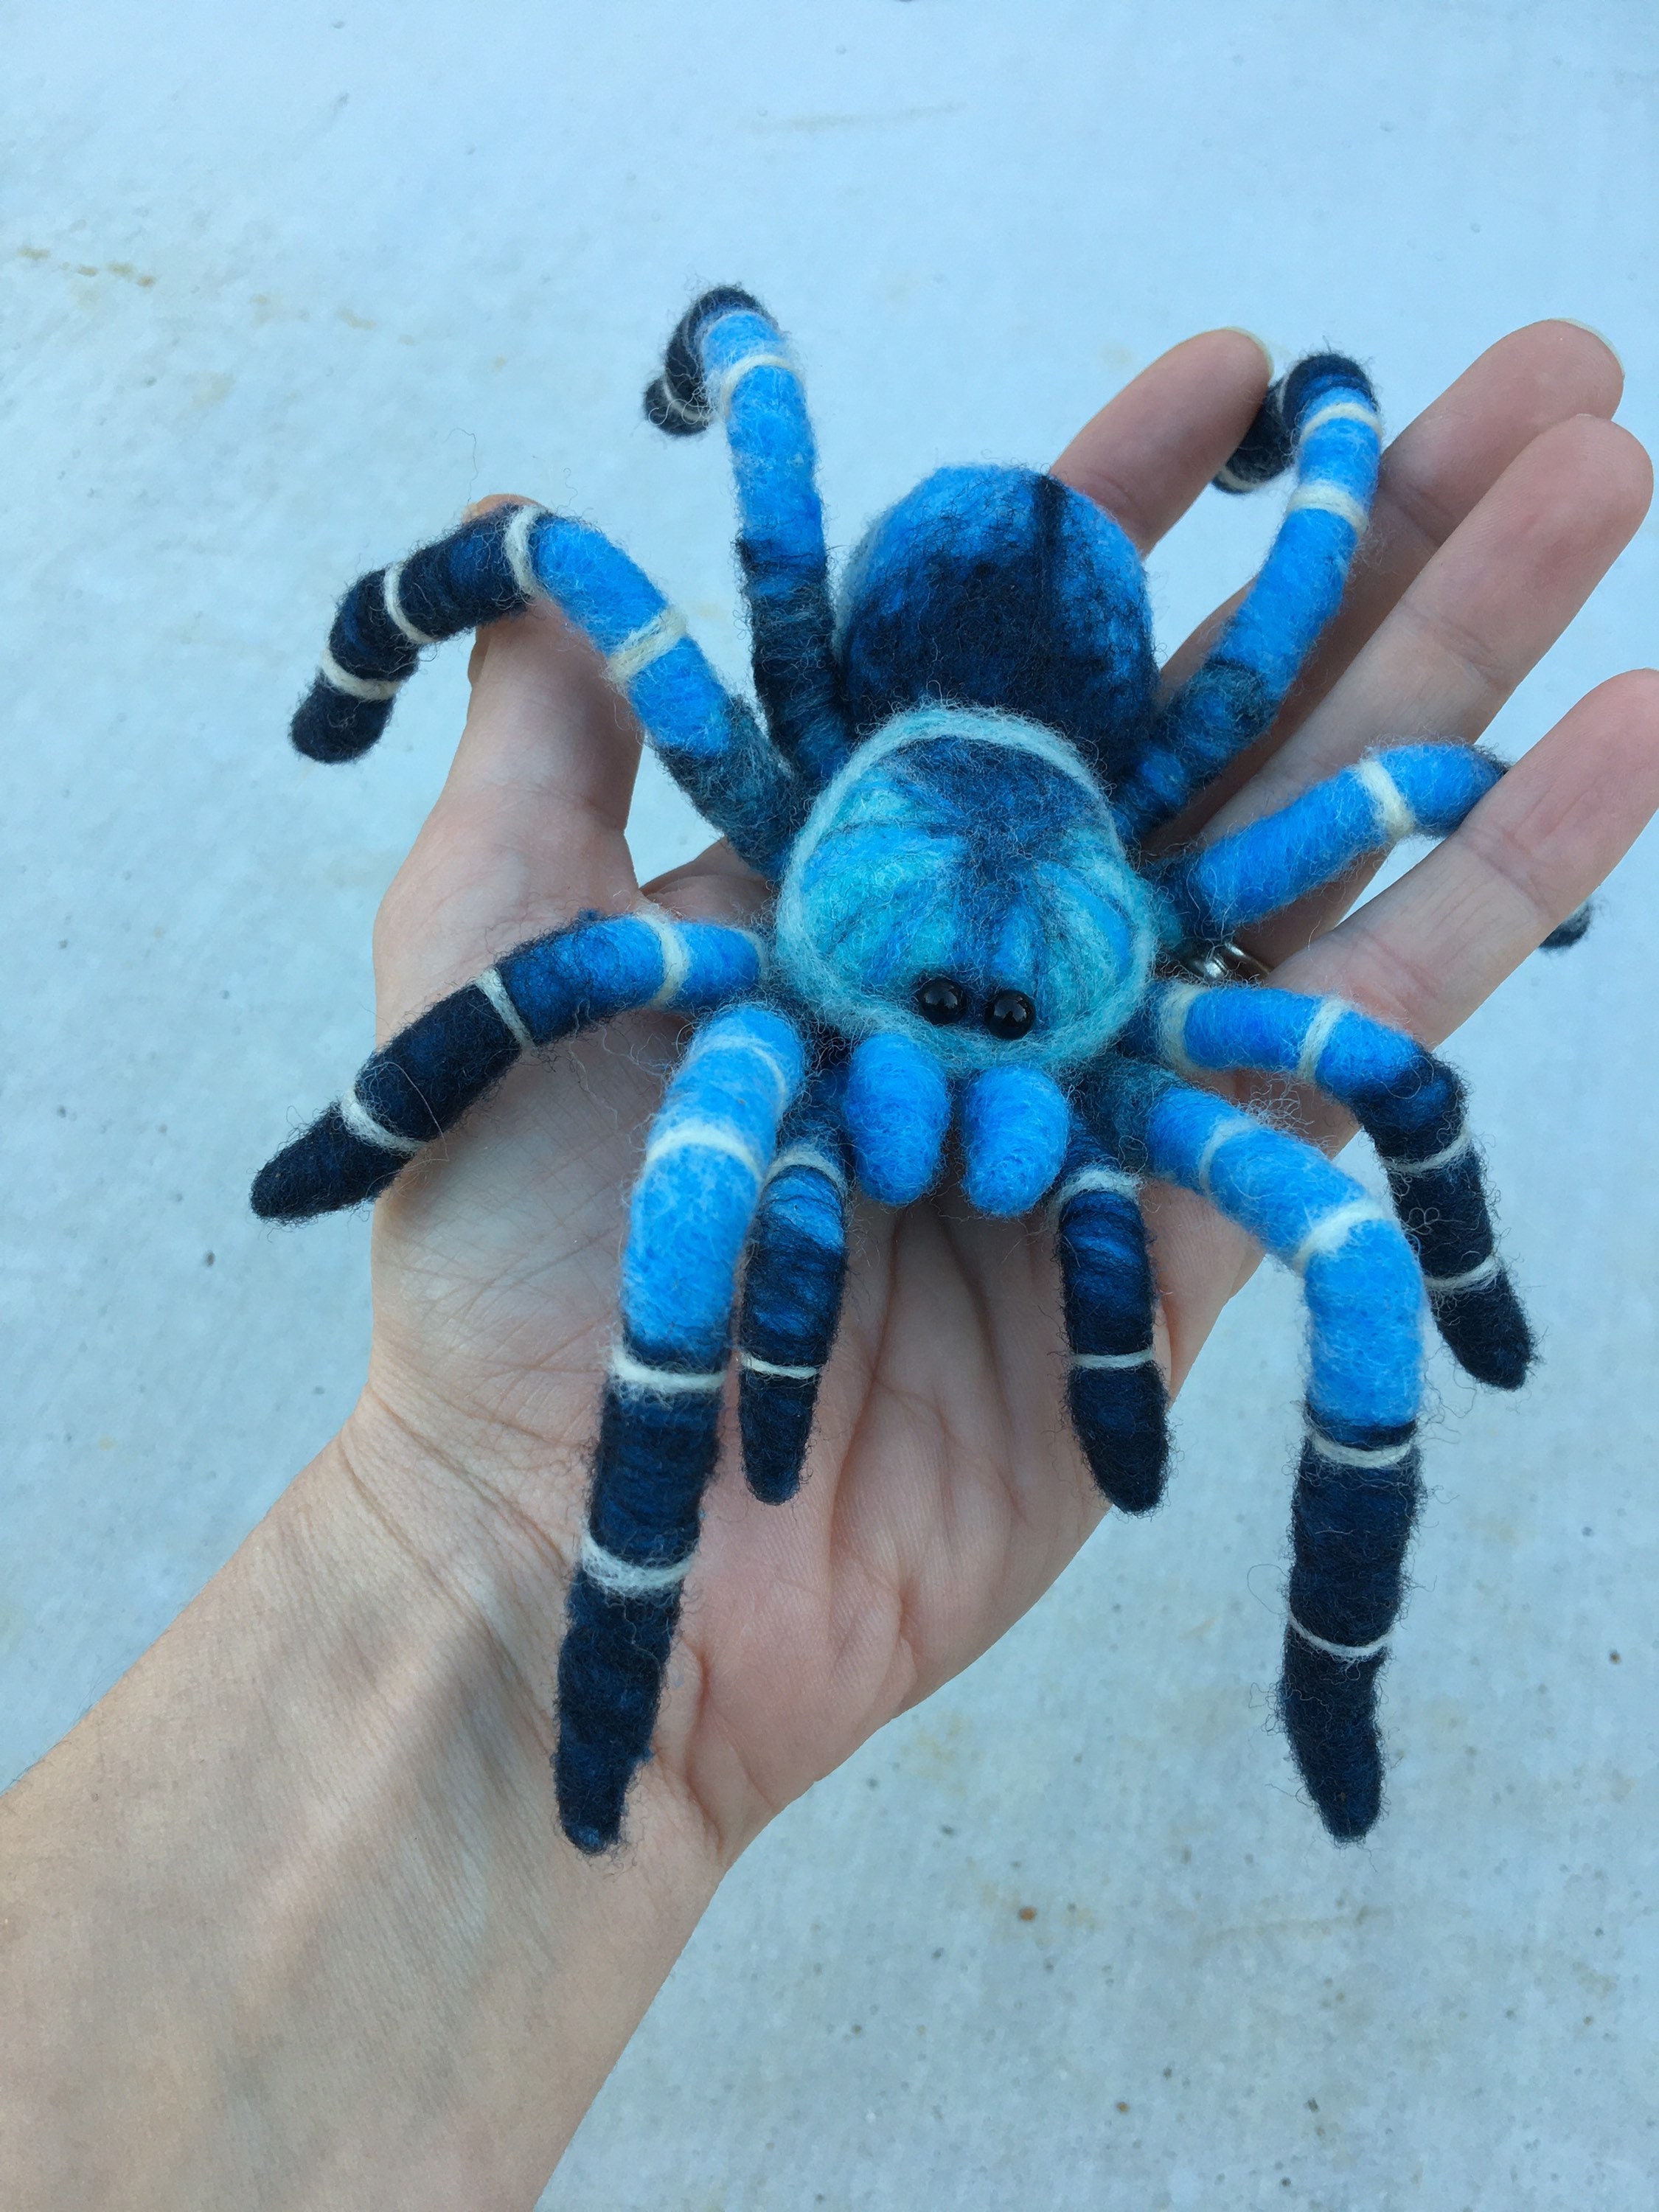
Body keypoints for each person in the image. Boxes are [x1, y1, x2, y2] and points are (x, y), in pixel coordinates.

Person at [1, 321, 1654, 2210]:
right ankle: (597, 1680)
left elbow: (1416, 816)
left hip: (1057, 841)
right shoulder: (858, 894)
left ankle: (1331, 1681)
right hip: (1013, 816)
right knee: (616, 720)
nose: (959, 1095)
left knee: (1358, 1254)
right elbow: (555, 586)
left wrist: (1461, 1111)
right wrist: (388, 1125)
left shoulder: (1070, 922)